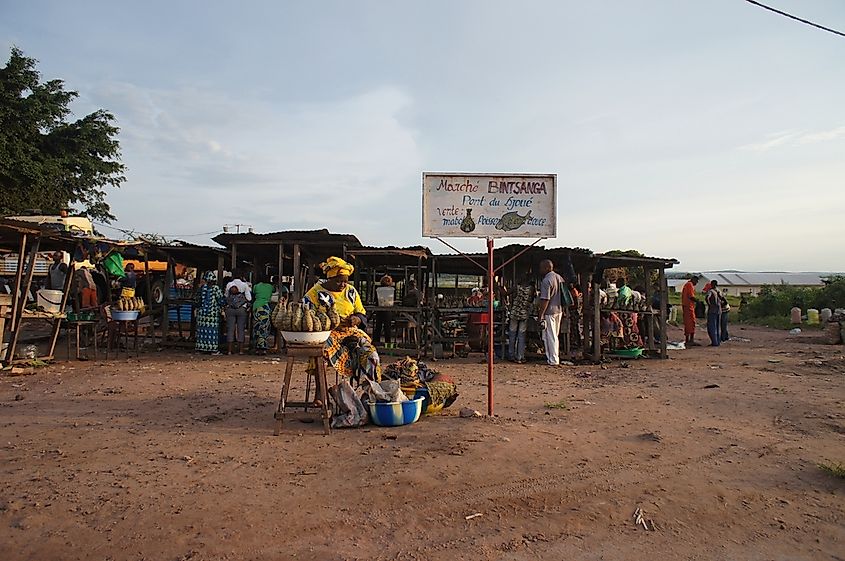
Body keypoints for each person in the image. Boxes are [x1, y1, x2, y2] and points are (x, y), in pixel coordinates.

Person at [305, 256, 380, 383]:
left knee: (371, 355)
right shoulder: (315, 293)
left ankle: (371, 393)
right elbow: (305, 316)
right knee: (320, 355)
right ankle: (320, 394)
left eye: (346, 281)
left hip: (351, 332)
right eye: (339, 281)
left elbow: (361, 312)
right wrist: (328, 322)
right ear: (330, 278)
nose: (343, 285)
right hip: (326, 334)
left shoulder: (351, 292)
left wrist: (357, 319)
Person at [537, 259, 565, 366]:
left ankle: (553, 360)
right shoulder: (559, 278)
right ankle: (553, 358)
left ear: (547, 268)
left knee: (550, 336)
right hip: (559, 310)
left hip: (549, 312)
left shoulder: (546, 281)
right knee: (555, 335)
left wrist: (541, 315)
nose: (540, 270)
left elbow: (545, 299)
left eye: (541, 268)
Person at [507, 272, 535, 363]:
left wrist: (498, 286)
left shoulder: (516, 287)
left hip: (514, 313)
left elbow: (505, 293)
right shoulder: (531, 289)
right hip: (524, 314)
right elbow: (531, 300)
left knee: (512, 335)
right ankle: (520, 356)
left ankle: (511, 355)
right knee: (521, 336)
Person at [195, 271, 224, 354]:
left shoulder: (202, 288)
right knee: (212, 332)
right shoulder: (216, 288)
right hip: (212, 315)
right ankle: (213, 350)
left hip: (202, 314)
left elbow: (197, 300)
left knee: (202, 332)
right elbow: (221, 301)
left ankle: (201, 349)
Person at [251, 273, 274, 355]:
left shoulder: (256, 286)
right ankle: (263, 347)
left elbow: (253, 294)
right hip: (265, 307)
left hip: (256, 307)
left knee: (257, 327)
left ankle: (257, 347)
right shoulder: (270, 287)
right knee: (265, 327)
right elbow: (274, 292)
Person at [225, 283, 249, 355]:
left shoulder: (229, 297)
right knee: (241, 329)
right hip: (241, 310)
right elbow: (248, 300)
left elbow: (225, 301)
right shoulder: (242, 296)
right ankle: (241, 350)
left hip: (230, 310)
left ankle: (229, 350)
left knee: (230, 330)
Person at [373, 275, 393, 346]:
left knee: (378, 327)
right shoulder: (391, 290)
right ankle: (388, 346)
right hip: (388, 311)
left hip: (380, 310)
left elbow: (376, 300)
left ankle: (376, 344)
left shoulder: (378, 289)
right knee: (387, 328)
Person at [681, 275, 700, 347]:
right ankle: (690, 340)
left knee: (688, 323)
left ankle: (688, 339)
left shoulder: (687, 284)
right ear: (694, 280)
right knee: (691, 323)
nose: (696, 283)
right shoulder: (689, 285)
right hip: (688, 307)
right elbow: (691, 296)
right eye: (696, 281)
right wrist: (697, 301)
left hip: (687, 306)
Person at [705, 279, 722, 347]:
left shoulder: (711, 291)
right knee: (717, 326)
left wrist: (709, 304)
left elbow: (707, 298)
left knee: (711, 326)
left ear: (712, 284)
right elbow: (722, 298)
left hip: (712, 310)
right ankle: (717, 341)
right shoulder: (719, 291)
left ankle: (714, 342)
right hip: (718, 310)